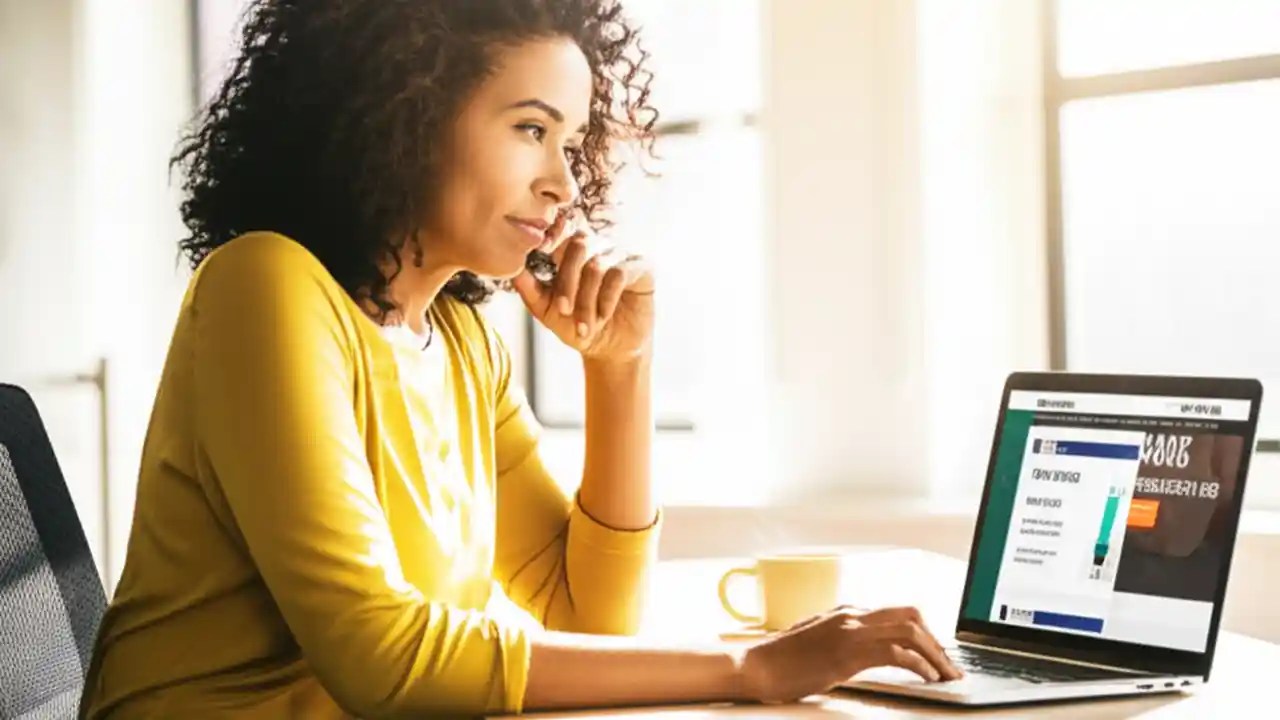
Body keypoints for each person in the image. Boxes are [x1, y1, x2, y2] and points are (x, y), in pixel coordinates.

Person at [79, 1, 961, 717]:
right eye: (531, 130)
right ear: (405, 110)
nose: (564, 184)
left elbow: (592, 614)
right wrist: (746, 668)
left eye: (570, 143)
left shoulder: (462, 344)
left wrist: (621, 368)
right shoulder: (264, 286)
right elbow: (381, 658)